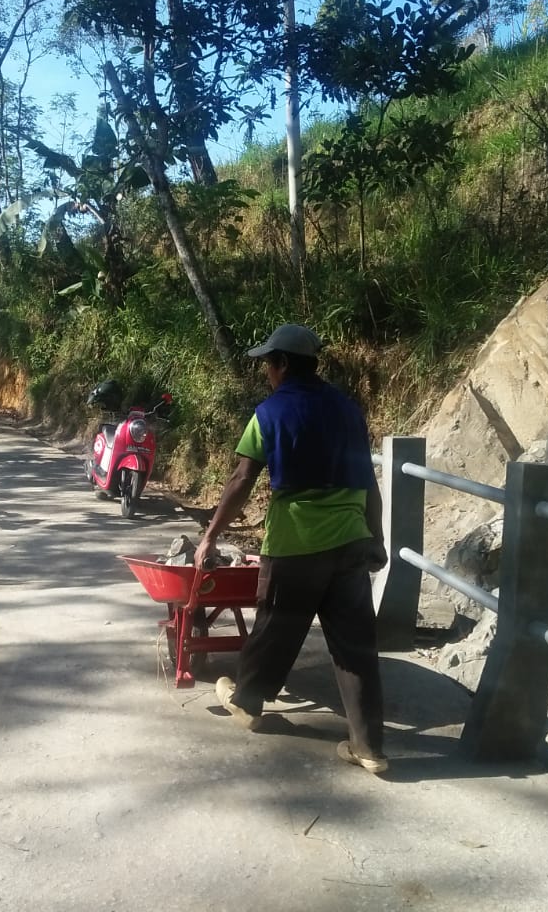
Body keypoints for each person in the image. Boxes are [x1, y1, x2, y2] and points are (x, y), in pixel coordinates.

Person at [193, 323, 390, 774]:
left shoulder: (269, 413)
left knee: (275, 628)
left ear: (282, 364)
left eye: (268, 364)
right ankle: (369, 748)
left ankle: (247, 702)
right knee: (356, 647)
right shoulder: (348, 410)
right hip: (350, 542)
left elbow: (242, 478)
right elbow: (368, 481)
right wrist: (376, 537)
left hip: (296, 543)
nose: (266, 372)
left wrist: (211, 535)